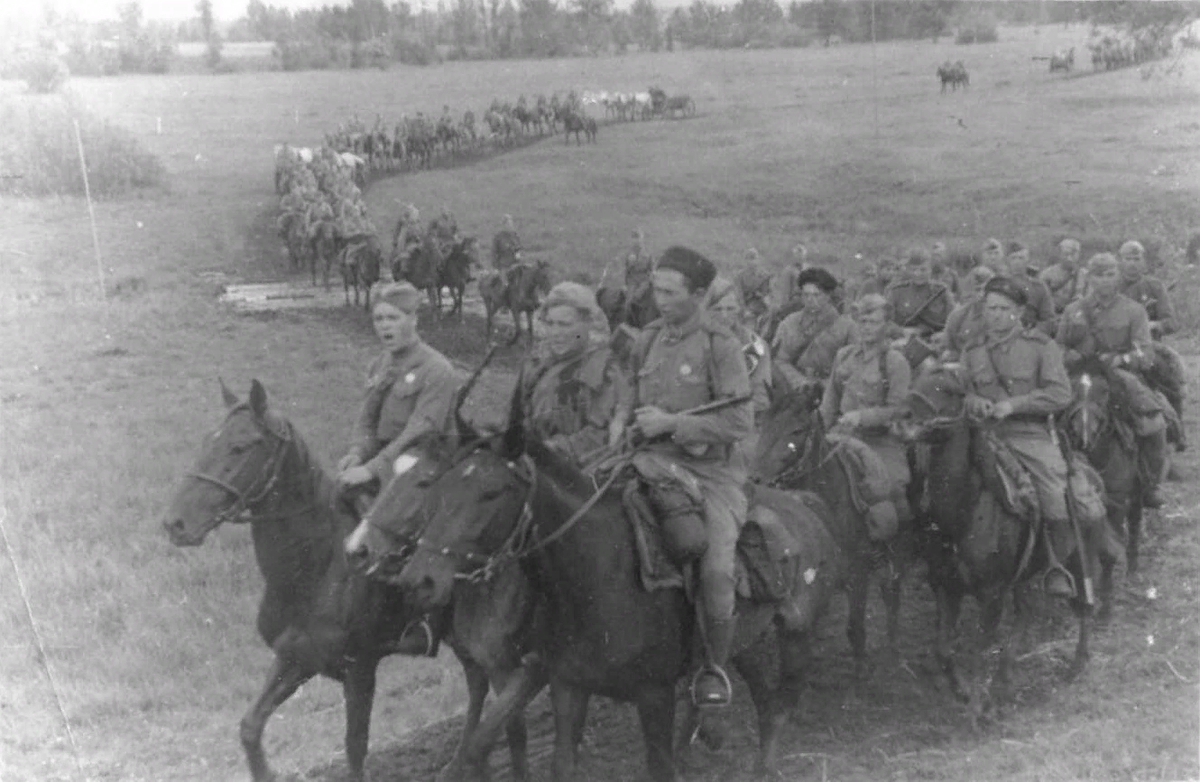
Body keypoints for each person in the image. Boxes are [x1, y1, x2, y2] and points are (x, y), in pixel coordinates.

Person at [628, 246, 753, 707]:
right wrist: (625, 423)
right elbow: (630, 396)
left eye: (669, 292)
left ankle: (713, 669)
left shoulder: (721, 345)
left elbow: (740, 424)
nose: (659, 299)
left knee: (717, 571)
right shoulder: (647, 339)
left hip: (708, 473)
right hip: (643, 458)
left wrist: (674, 425)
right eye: (655, 290)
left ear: (699, 294)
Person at [336, 282, 463, 654]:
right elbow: (367, 417)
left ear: (414, 319)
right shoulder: (381, 363)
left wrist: (373, 469)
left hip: (426, 461)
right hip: (391, 457)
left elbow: (418, 432)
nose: (384, 326)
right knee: (338, 496)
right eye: (378, 318)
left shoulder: (437, 369)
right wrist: (357, 453)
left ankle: (423, 622)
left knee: (399, 526)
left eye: (393, 318)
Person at [960, 277, 1076, 596]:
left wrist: (1013, 404)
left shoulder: (1041, 347)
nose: (995, 315)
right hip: (984, 435)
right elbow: (964, 391)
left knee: (1053, 493)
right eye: (990, 308)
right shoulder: (972, 351)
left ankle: (1055, 564)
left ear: (1020, 311)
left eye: (1003, 309)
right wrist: (975, 402)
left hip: (1029, 435)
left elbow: (1060, 394)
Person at [1057, 253, 1169, 509]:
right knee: (1053, 416)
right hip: (1080, 375)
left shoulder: (1133, 310)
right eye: (1099, 274)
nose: (1105, 280)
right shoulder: (1073, 311)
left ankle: (1151, 484)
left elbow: (1146, 352)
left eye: (1110, 274)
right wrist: (1070, 354)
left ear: (1118, 276)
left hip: (1120, 376)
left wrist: (1123, 359)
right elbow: (1058, 347)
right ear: (1090, 277)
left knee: (1154, 421)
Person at [509, 282, 629, 465]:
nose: (556, 333)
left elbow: (601, 436)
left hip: (572, 472)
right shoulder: (535, 365)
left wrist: (551, 449)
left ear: (587, 323)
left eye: (565, 325)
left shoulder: (603, 370)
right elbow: (514, 417)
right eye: (550, 324)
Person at [819, 294, 913, 525]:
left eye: (874, 322)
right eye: (862, 321)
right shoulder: (845, 355)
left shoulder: (894, 361)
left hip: (880, 441)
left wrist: (862, 417)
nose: (866, 328)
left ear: (887, 326)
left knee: (891, 491)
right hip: (842, 435)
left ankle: (897, 552)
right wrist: (820, 428)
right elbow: (830, 400)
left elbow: (899, 409)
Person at [707, 276, 772, 436]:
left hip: (738, 426)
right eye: (717, 309)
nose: (724, 315)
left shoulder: (755, 346)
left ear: (739, 309)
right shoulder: (691, 340)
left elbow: (761, 398)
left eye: (730, 309)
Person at [773, 268, 856, 386]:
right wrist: (799, 382)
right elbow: (779, 360)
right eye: (806, 295)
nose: (810, 300)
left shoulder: (847, 326)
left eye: (816, 295)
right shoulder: (789, 323)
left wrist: (828, 386)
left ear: (828, 296)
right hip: (797, 390)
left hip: (832, 390)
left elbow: (854, 364)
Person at [980, 241, 1057, 336]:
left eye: (1021, 258)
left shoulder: (1038, 287)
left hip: (1028, 336)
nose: (1017, 262)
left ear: (1028, 260)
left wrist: (1033, 333)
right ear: (1007, 260)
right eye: (1013, 258)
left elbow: (1048, 319)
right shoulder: (996, 283)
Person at [1118, 240, 1177, 338]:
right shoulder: (1110, 286)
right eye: (1128, 259)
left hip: (1148, 344)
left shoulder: (1155, 286)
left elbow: (1171, 323)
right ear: (1120, 261)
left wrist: (1154, 325)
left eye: (1137, 259)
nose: (1132, 263)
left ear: (1143, 261)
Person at [941, 265, 996, 361]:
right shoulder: (958, 316)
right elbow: (948, 348)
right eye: (978, 289)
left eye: (987, 290)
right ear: (971, 291)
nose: (982, 294)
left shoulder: (1004, 314)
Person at [1040, 238, 1088, 314]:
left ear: (1078, 255)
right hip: (1054, 313)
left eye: (1073, 255)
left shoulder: (1085, 275)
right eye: (1066, 254)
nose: (1069, 258)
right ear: (1060, 254)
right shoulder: (1047, 274)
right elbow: (1041, 298)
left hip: (1076, 314)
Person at [735, 248, 772, 326]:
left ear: (758, 260)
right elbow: (739, 295)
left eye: (754, 259)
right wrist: (745, 310)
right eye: (749, 259)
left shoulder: (764, 275)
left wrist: (765, 300)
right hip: (745, 305)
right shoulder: (740, 276)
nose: (752, 262)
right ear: (745, 261)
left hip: (760, 305)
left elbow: (766, 294)